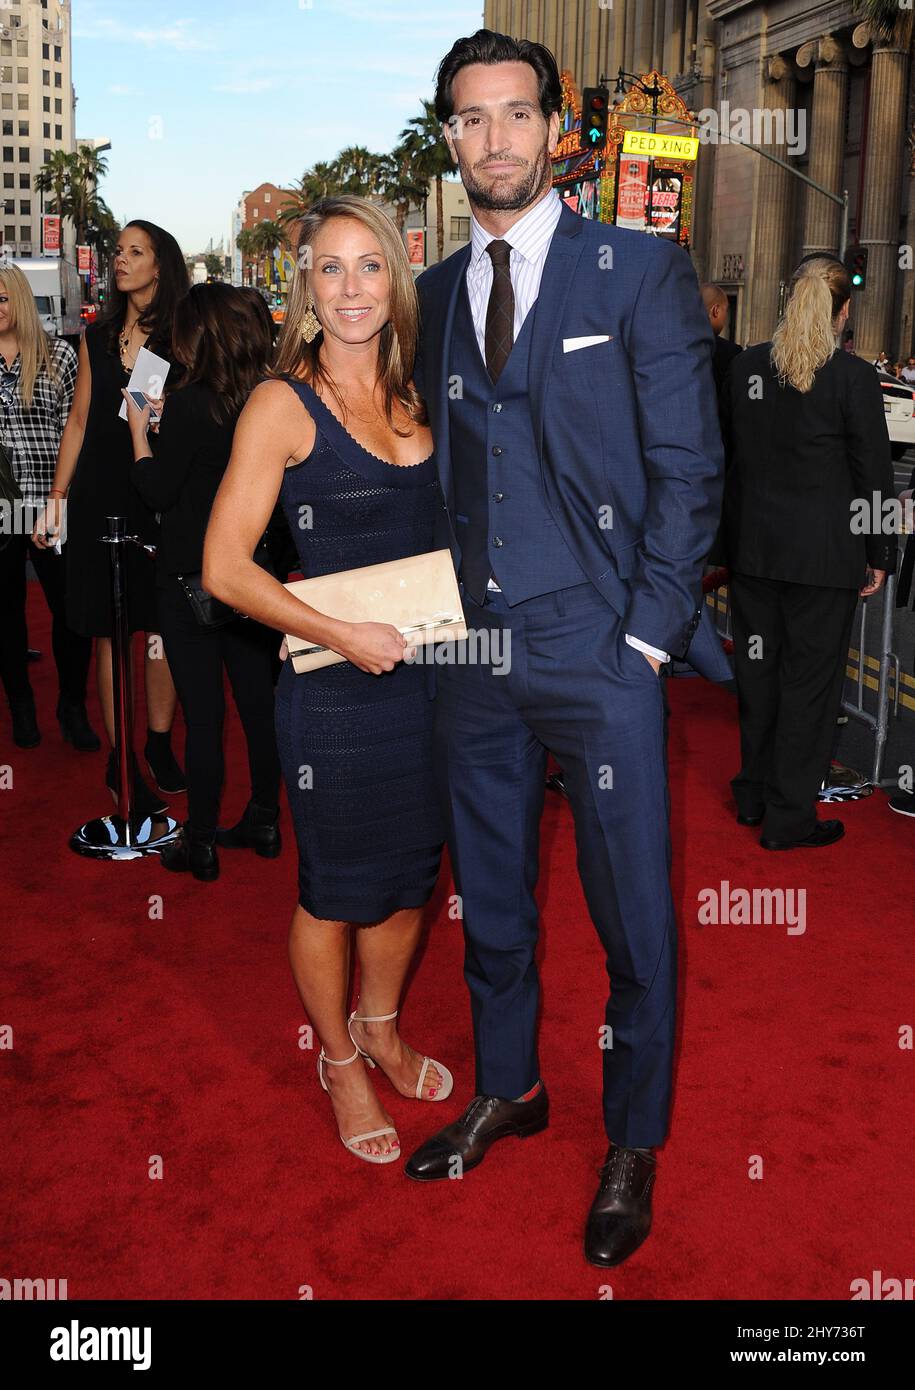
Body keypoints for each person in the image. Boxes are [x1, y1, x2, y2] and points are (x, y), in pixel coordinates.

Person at [402, 30, 723, 1268]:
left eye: (515, 115)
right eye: (471, 120)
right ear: (450, 138)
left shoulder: (637, 270)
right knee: (491, 897)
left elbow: (691, 469)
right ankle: (511, 1085)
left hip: (602, 655)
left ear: (555, 129)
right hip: (472, 654)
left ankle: (632, 1137)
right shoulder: (432, 293)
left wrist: (647, 637)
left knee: (634, 914)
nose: (494, 139)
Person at [203, 196, 452, 1164]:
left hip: (428, 682)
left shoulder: (420, 389)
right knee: (337, 891)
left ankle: (383, 1023)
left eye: (370, 267)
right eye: (330, 269)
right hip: (337, 694)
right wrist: (339, 631)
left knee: (410, 881)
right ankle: (339, 1055)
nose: (351, 288)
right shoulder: (282, 402)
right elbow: (224, 566)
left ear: (396, 277)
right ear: (307, 286)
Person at [720, 254, 895, 849]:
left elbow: (728, 462)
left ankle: (753, 797)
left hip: (754, 555)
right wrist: (880, 554)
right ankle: (788, 818)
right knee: (809, 689)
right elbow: (873, 475)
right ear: (843, 311)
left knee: (759, 677)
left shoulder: (746, 367)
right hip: (824, 560)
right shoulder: (852, 378)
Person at [126, 283, 283, 881]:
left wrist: (142, 431)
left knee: (204, 715)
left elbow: (159, 490)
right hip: (254, 575)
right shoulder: (267, 399)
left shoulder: (191, 403)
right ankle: (265, 820)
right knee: (259, 705)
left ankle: (200, 842)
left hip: (191, 577)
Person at [33, 221, 189, 817]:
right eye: (117, 251)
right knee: (109, 628)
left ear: (159, 264)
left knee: (159, 629)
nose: (120, 260)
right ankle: (120, 759)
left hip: (154, 490)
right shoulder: (95, 337)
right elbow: (77, 422)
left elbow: (157, 419)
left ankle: (156, 742)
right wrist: (57, 497)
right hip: (98, 493)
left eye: (134, 252)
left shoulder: (178, 335)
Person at [0, 263, 98, 751]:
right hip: (0, 508)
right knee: (6, 611)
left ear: (19, 299)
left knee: (69, 609)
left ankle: (72, 705)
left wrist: (60, 500)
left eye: (2, 298)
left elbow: (73, 429)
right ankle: (19, 702)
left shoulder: (59, 354)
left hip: (47, 501)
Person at [700, 282, 742, 397]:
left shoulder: (671, 345)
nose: (725, 317)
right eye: (726, 310)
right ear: (716, 311)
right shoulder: (731, 353)